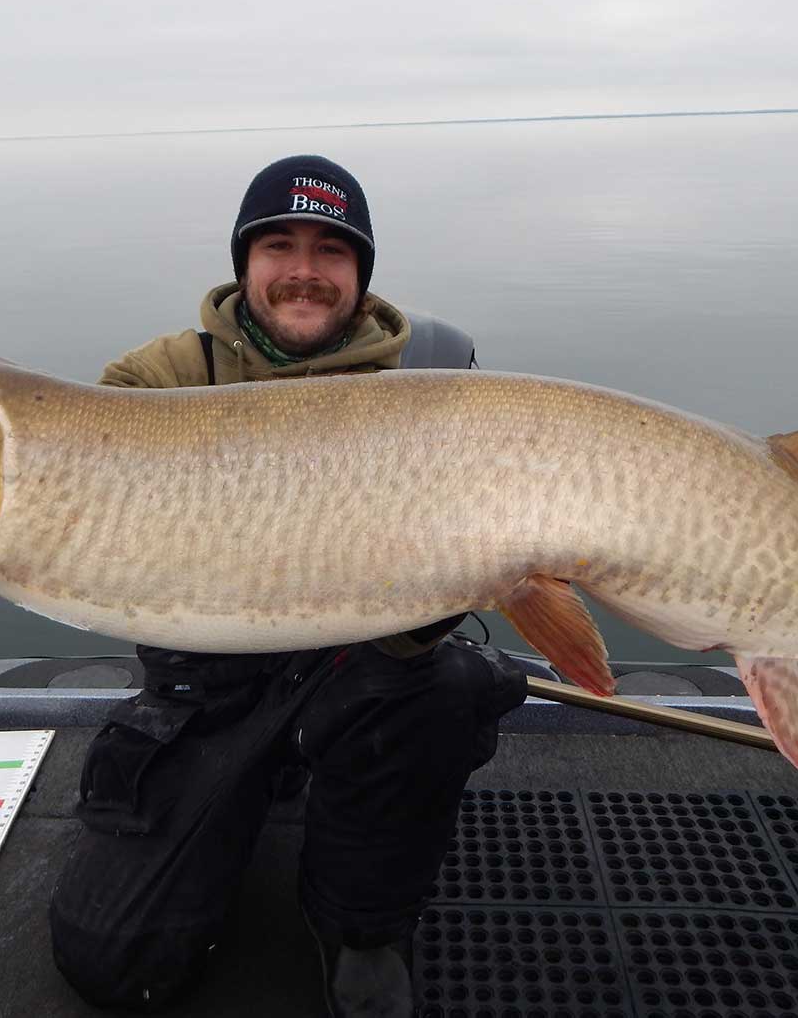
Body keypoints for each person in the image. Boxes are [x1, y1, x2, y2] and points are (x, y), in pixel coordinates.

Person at [48, 155, 528, 1018]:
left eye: (331, 251)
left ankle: (362, 927)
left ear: (360, 272)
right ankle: (250, 789)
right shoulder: (152, 383)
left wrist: (469, 576)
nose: (304, 269)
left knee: (446, 689)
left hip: (368, 669)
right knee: (115, 963)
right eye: (279, 244)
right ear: (244, 263)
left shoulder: (437, 385)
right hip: (212, 690)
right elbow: (75, 497)